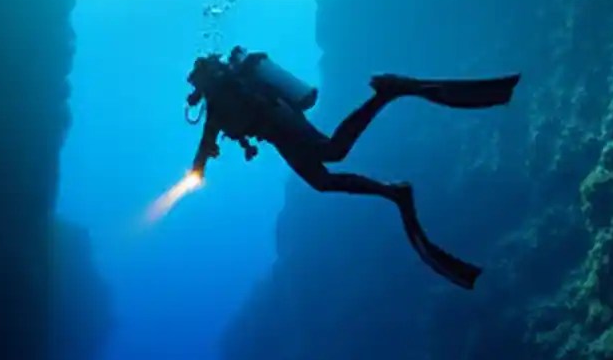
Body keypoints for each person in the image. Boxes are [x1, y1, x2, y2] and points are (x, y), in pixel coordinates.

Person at [184, 46, 520, 289]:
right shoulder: (220, 99)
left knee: (333, 153)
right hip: (279, 132)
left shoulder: (223, 95)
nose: (197, 89)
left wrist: (197, 170)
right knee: (323, 178)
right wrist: (199, 168)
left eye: (197, 83)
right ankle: (394, 190)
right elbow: (208, 138)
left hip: (282, 124)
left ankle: (388, 95)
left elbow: (207, 139)